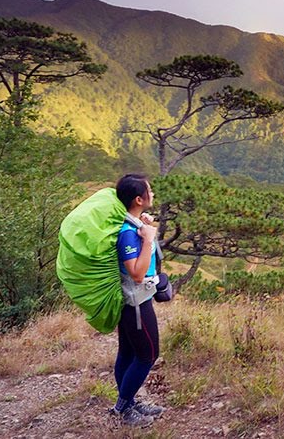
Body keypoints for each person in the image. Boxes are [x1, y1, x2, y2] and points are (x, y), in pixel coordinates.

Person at [111, 173, 165, 427]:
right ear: (138, 199)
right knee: (147, 355)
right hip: (136, 304)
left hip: (133, 302)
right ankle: (123, 408)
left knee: (128, 352)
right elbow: (137, 273)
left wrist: (144, 228)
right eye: (149, 191)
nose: (152, 194)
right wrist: (148, 239)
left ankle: (128, 402)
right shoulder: (128, 234)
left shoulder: (133, 225)